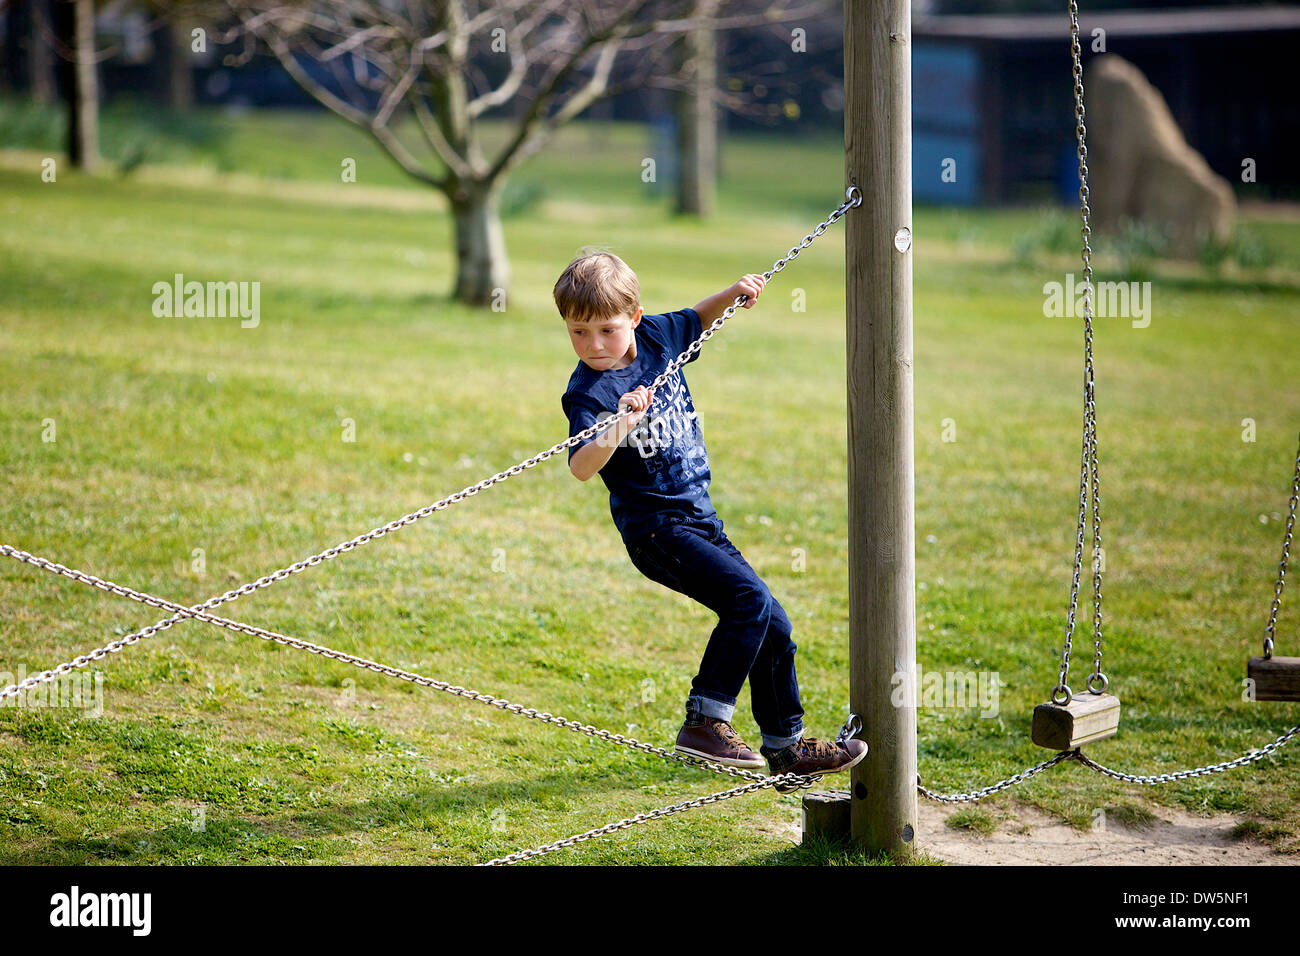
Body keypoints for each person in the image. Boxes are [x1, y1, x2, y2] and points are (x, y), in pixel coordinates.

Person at [555, 250, 866, 785]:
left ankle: (786, 748)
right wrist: (620, 425)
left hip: (701, 519)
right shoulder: (588, 392)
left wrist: (732, 294)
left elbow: (695, 319)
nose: (594, 346)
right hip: (657, 531)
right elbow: (582, 466)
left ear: (634, 317)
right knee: (748, 601)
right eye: (578, 332)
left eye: (606, 330)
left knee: (773, 620)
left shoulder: (655, 337)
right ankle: (705, 721)